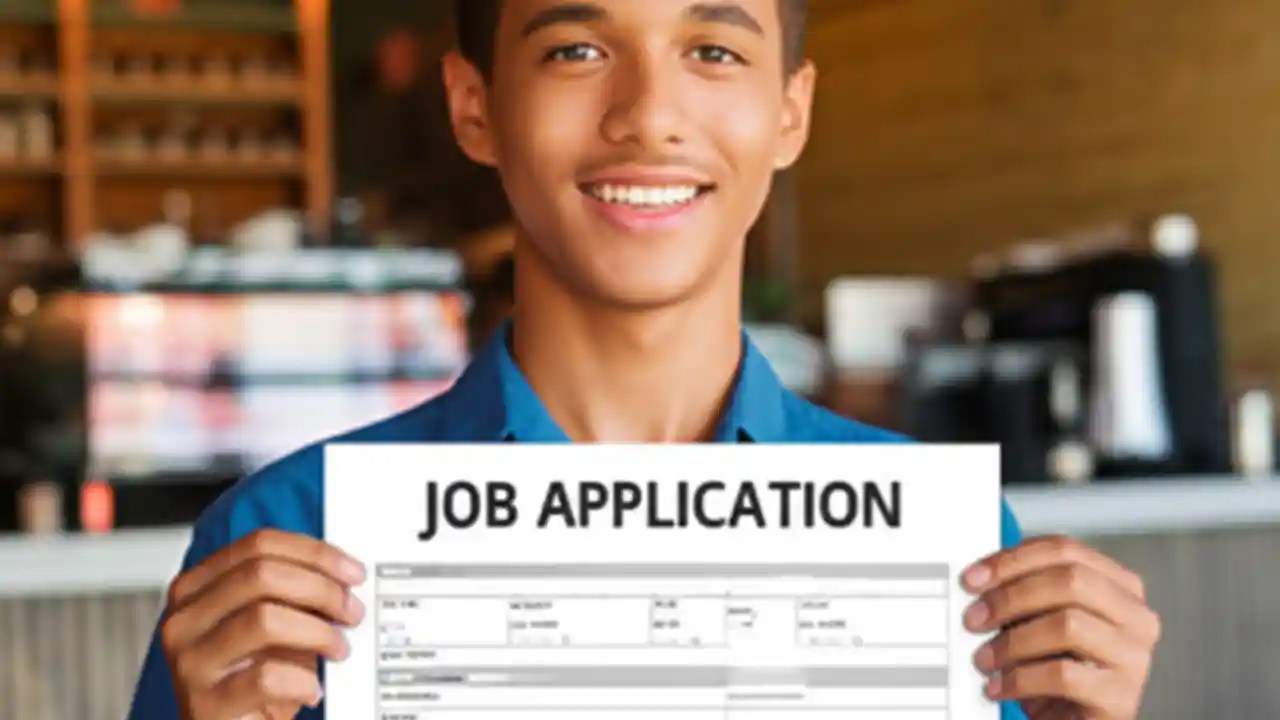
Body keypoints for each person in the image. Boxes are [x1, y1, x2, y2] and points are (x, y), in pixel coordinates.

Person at [127, 1, 1162, 718]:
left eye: (712, 50)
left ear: (789, 111)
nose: (648, 116)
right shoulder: (283, 541)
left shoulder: (953, 557)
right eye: (576, 49)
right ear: (473, 105)